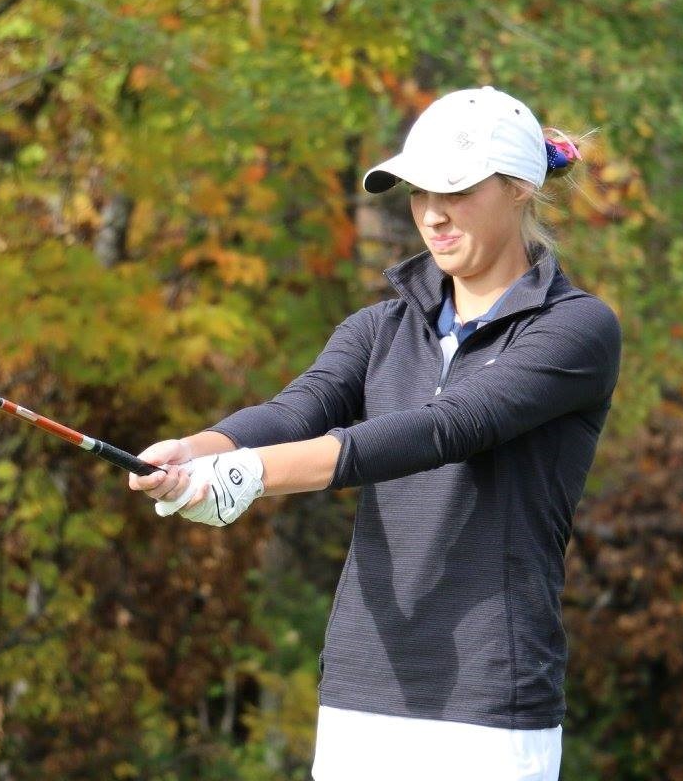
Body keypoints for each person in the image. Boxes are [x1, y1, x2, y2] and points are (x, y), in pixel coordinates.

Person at [127, 85, 622, 780]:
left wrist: (255, 476)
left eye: (456, 191)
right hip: (363, 690)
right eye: (418, 192)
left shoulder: (575, 329)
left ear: (518, 188)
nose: (432, 214)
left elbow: (447, 428)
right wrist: (199, 450)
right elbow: (299, 408)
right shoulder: (378, 328)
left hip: (489, 702)